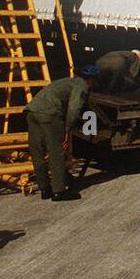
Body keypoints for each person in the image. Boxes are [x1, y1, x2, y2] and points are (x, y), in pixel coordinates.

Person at [25, 65, 97, 202]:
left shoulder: (65, 81)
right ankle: (59, 191)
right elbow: (74, 107)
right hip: (49, 114)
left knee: (37, 152)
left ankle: (45, 188)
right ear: (91, 80)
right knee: (56, 153)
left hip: (32, 111)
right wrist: (68, 127)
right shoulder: (81, 85)